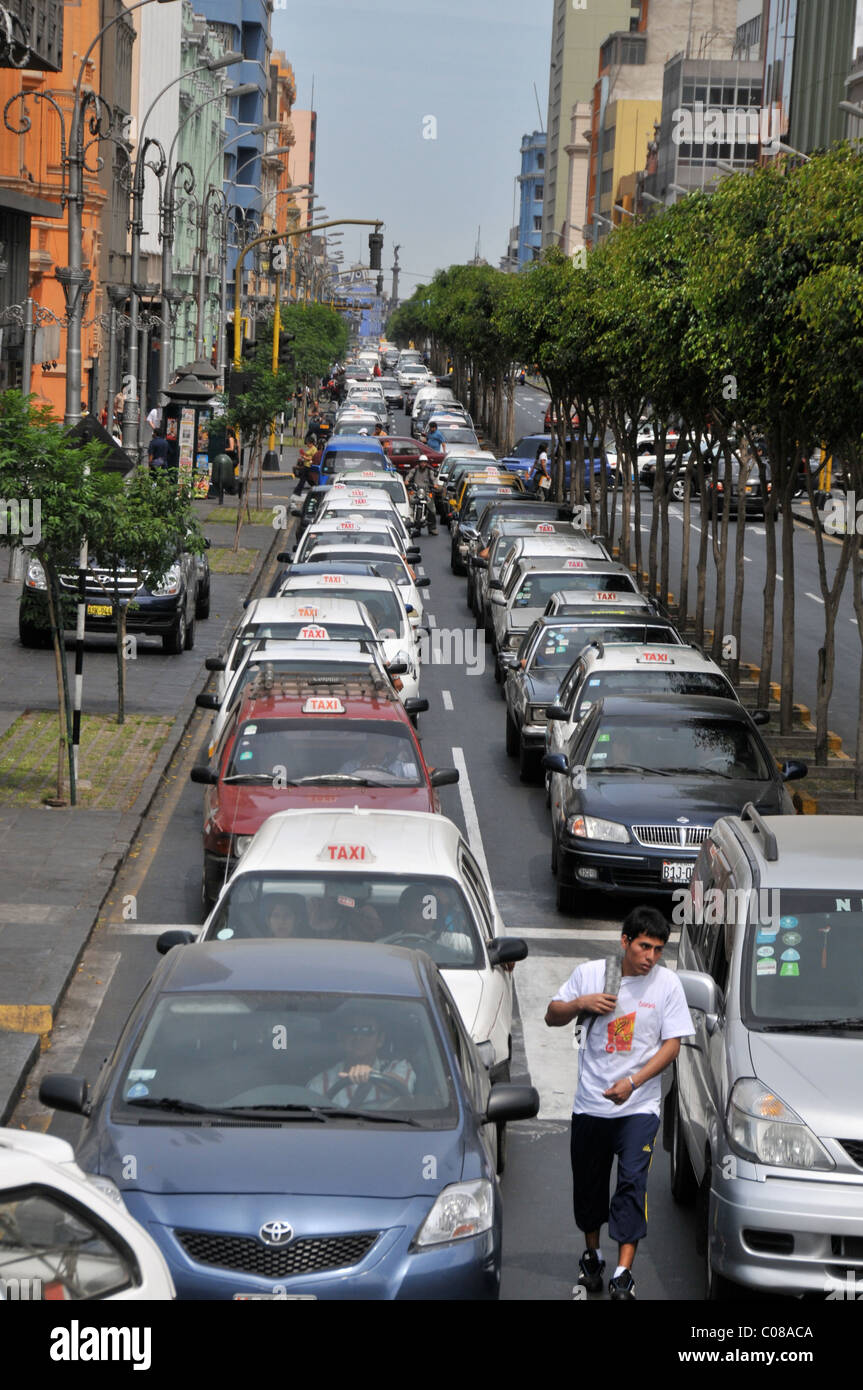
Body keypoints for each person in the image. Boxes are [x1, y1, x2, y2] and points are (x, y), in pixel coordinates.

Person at [545, 905, 694, 1301]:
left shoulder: (667, 985)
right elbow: (551, 1014)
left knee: (632, 1183)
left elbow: (673, 1043)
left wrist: (634, 1082)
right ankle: (592, 1258)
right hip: (592, 1105)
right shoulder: (593, 974)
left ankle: (624, 1273)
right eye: (644, 946)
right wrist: (582, 1004)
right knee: (590, 1188)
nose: (651, 957)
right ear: (625, 941)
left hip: (639, 1107)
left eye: (659, 949)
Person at [307, 1007, 416, 1108]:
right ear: (341, 1037)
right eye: (352, 1030)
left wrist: (372, 1074)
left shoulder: (398, 1067)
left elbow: (403, 1090)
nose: (358, 1037)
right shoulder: (320, 1084)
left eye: (367, 1030)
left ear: (380, 1040)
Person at [387, 883, 473, 957]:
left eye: (430, 912)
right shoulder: (385, 945)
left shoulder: (453, 941)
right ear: (404, 914)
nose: (427, 917)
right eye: (420, 911)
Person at [405, 455, 438, 535]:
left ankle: (432, 528)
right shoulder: (414, 470)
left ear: (426, 463)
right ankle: (411, 525)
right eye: (421, 462)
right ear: (419, 463)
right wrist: (406, 481)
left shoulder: (430, 471)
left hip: (426, 492)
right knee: (409, 505)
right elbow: (408, 476)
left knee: (432, 509)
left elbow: (434, 479)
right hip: (416, 491)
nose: (423, 464)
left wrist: (435, 484)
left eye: (424, 462)